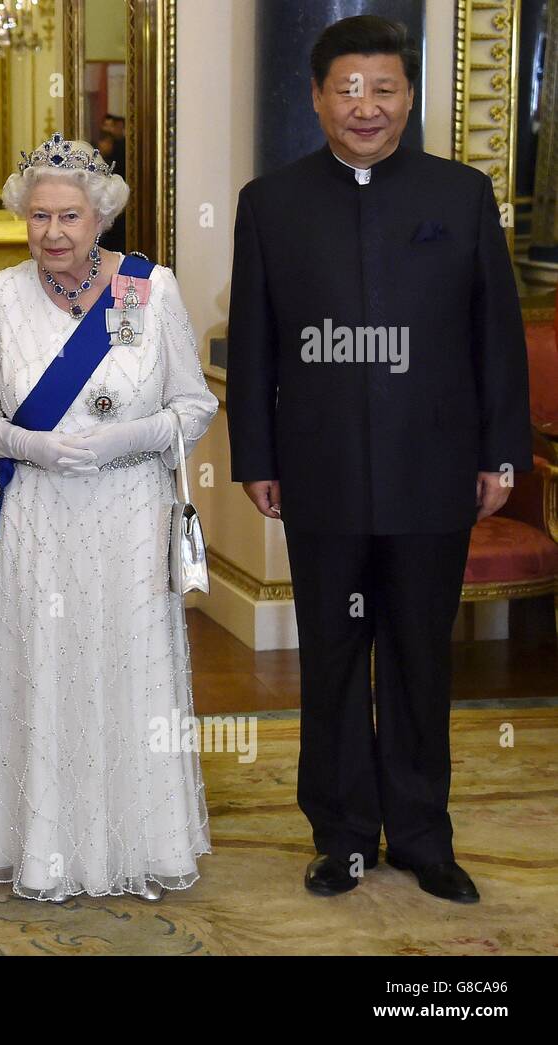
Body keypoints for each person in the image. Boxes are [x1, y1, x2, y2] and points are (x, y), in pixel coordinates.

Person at [226, 16, 532, 904]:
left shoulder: (463, 194)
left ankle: (425, 836)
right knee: (328, 657)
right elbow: (255, 345)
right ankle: (341, 834)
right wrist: (256, 453)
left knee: (418, 658)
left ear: (409, 96)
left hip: (434, 472)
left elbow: (496, 342)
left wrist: (499, 454)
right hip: (318, 474)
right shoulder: (270, 202)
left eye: (384, 89)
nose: (366, 107)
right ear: (317, 97)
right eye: (347, 90)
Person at [0, 133, 218, 902]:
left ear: (100, 217)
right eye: (39, 217)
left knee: (126, 666)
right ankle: (43, 846)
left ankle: (138, 839)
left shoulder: (147, 289)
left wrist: (131, 436)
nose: (54, 233)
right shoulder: (2, 295)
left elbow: (194, 404)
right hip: (37, 514)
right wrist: (21, 440)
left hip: (129, 514)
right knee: (45, 662)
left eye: (69, 216)